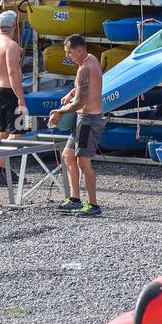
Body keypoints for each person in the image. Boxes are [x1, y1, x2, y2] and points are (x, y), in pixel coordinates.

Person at [47, 34, 105, 217]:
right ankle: (74, 199)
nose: (68, 57)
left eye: (70, 53)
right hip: (82, 119)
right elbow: (85, 88)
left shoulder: (84, 69)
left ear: (80, 50)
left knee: (83, 162)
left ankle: (93, 205)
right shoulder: (91, 60)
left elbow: (80, 103)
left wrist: (60, 112)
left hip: (88, 119)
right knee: (67, 155)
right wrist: (71, 92)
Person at [0, 9, 28, 186]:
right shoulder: (11, 46)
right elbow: (13, 73)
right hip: (9, 92)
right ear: (15, 26)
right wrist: (21, 98)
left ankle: (3, 167)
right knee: (17, 135)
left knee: (2, 132)